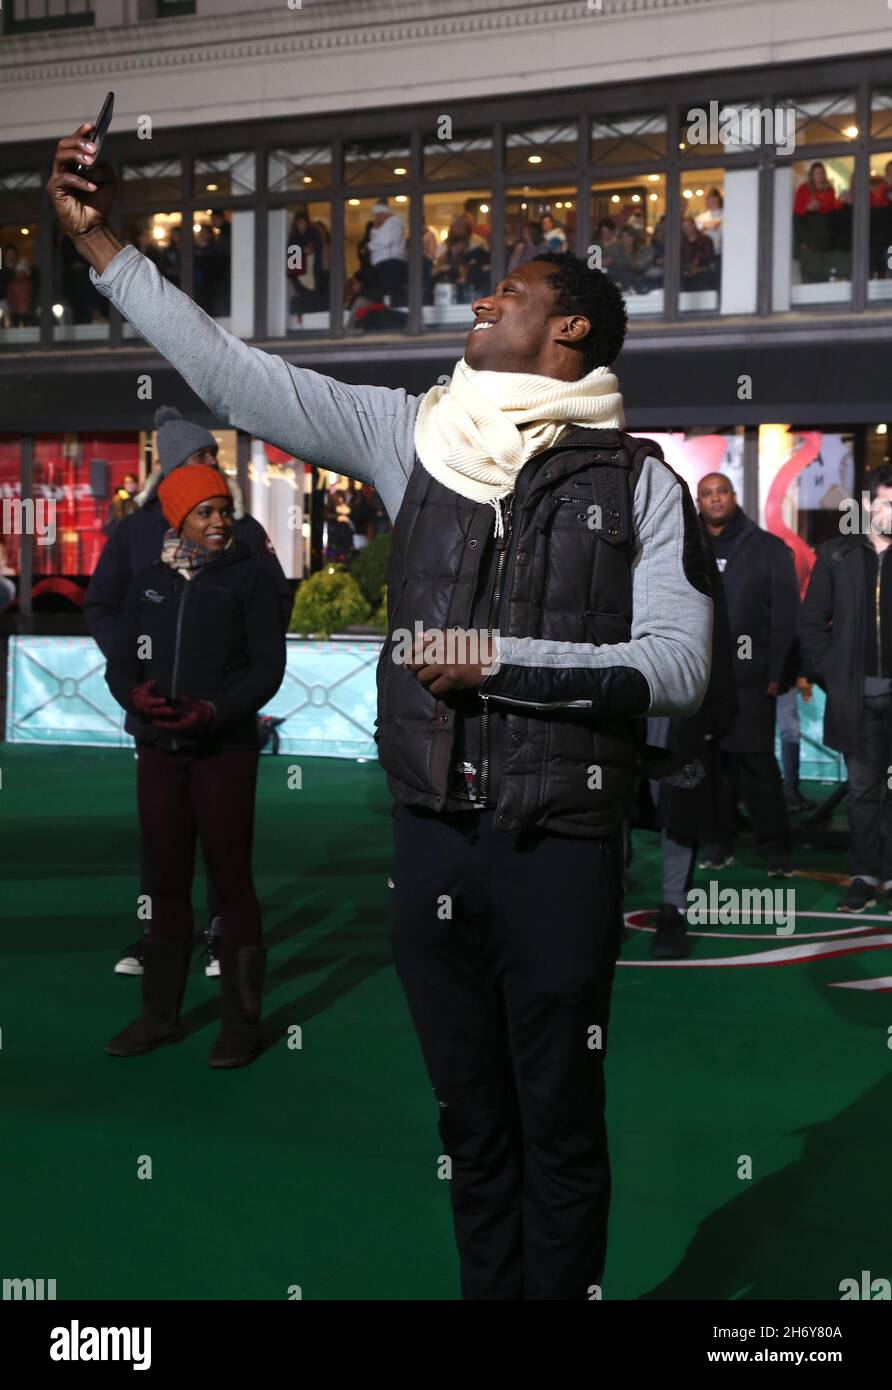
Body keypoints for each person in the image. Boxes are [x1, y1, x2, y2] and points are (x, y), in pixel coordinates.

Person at [50, 124, 712, 1299]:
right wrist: (105, 246)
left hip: (564, 841)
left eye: (509, 292)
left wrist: (497, 659)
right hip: (430, 839)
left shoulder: (646, 482)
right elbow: (230, 373)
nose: (481, 298)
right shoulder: (412, 437)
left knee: (559, 1121)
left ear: (569, 331)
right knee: (471, 1123)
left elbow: (678, 667)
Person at [85, 404, 292, 977]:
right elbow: (105, 606)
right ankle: (157, 939)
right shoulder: (133, 533)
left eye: (213, 457)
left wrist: (233, 677)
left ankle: (222, 937)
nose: (214, 464)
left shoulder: (243, 532)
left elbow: (273, 607)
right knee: (162, 845)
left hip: (222, 724)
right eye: (203, 456)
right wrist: (131, 670)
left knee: (226, 847)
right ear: (173, 467)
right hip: (156, 718)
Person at [104, 465, 286, 1066]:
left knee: (231, 880)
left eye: (223, 510)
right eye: (205, 511)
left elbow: (266, 670)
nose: (218, 521)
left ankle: (241, 1022)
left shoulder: (253, 578)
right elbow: (121, 662)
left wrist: (215, 711)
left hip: (223, 751)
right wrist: (133, 696)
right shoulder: (149, 581)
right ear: (176, 515)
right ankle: (159, 1016)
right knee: (163, 881)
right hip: (157, 751)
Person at [696, 473, 799, 875]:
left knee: (757, 766)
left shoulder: (768, 548)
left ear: (734, 497)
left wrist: (778, 671)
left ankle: (776, 849)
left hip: (753, 679)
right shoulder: (686, 545)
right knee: (710, 769)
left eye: (721, 492)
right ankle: (717, 844)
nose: (715, 499)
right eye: (707, 494)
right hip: (700, 681)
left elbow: (786, 616)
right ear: (699, 501)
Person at [802, 466, 892, 913]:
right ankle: (864, 875)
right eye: (883, 502)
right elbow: (812, 623)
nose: (889, 512)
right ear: (869, 505)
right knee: (861, 792)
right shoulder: (837, 554)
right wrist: (831, 677)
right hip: (855, 700)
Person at [367, 199, 407, 306]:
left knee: (390, 293)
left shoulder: (394, 223)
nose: (376, 218)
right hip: (382, 265)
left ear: (384, 213)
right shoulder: (378, 228)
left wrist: (372, 244)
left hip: (391, 264)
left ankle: (391, 314)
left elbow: (386, 240)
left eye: (378, 214)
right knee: (384, 294)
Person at [680, 216, 717, 291]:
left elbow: (710, 257)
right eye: (684, 227)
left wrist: (698, 266)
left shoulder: (705, 240)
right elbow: (680, 259)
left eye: (688, 226)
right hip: (686, 273)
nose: (687, 229)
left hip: (702, 272)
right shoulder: (681, 243)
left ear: (694, 226)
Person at [103, 472, 139, 537]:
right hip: (120, 532)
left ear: (136, 484)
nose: (129, 485)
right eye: (126, 482)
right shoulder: (119, 498)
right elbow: (119, 518)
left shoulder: (136, 498)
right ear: (123, 485)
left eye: (131, 482)